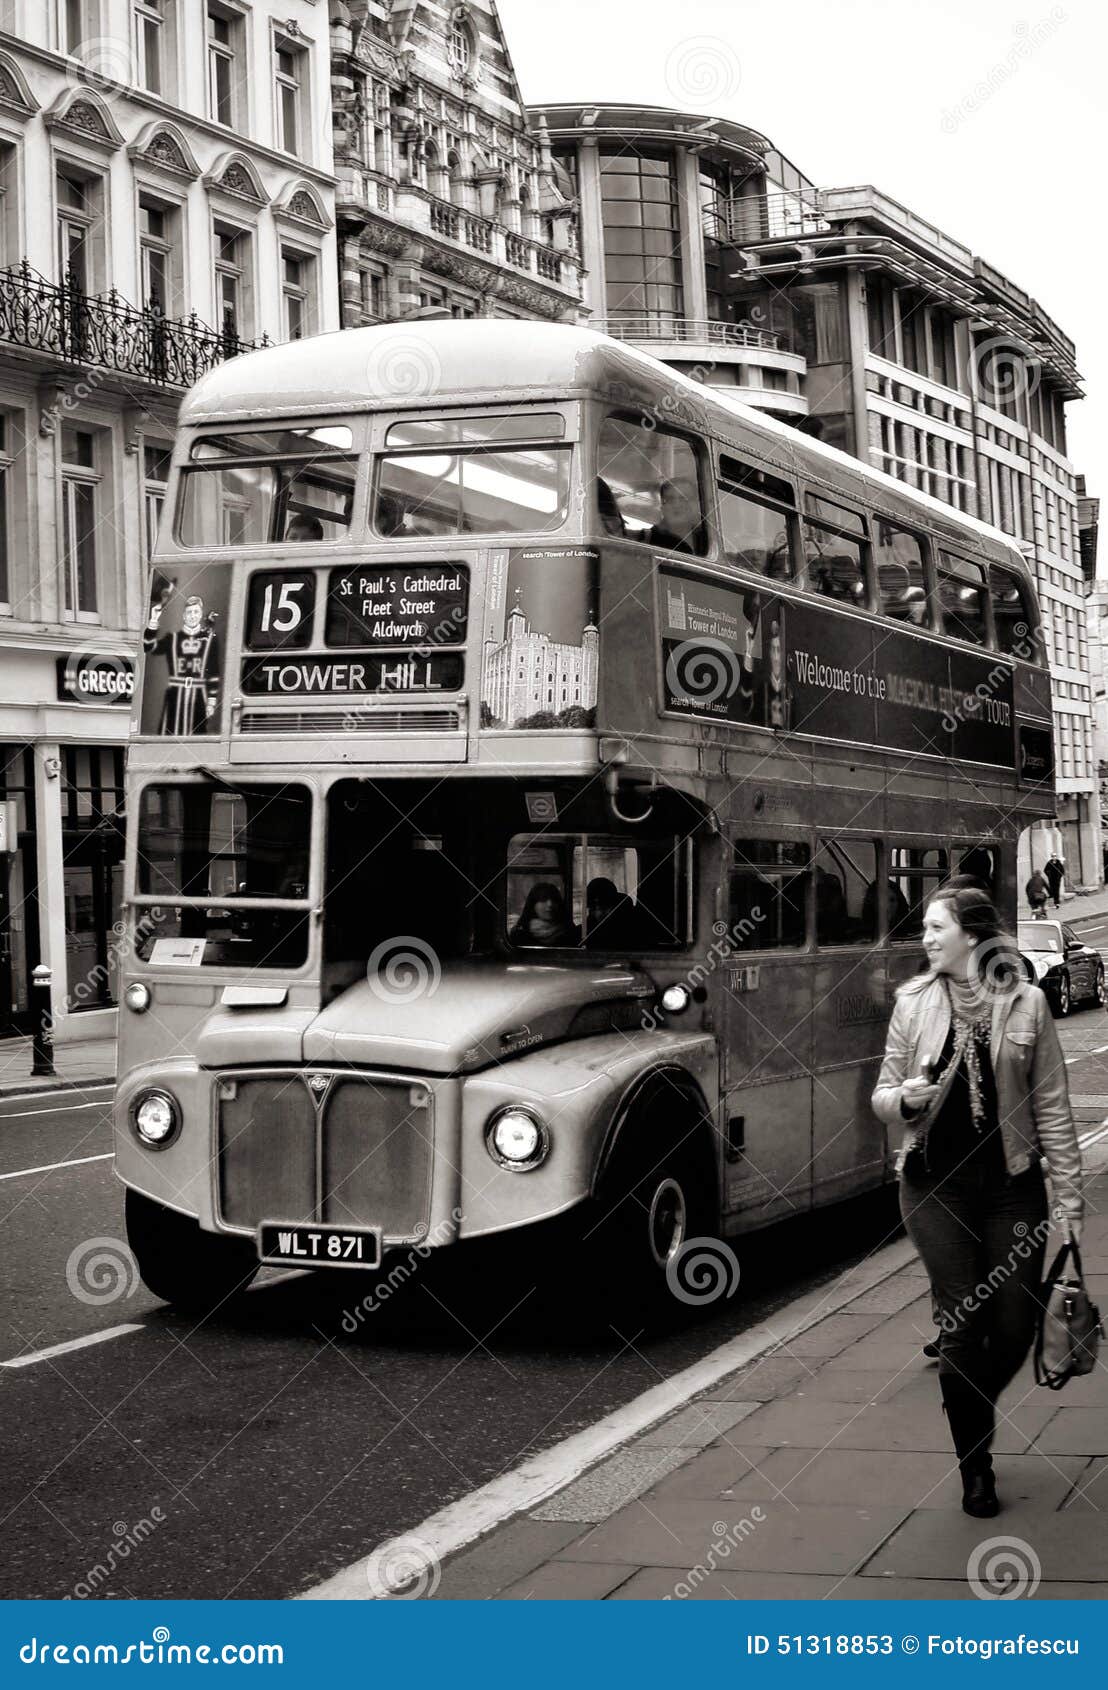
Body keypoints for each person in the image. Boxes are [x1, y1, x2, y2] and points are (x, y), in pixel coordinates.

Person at [872, 886, 1083, 1519]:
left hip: (1012, 1188)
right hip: (934, 1188)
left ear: (972, 935)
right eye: (925, 929)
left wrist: (1069, 1201)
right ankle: (975, 1465)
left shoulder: (1027, 1003)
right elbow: (882, 1094)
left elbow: (1052, 1106)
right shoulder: (913, 1002)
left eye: (937, 928)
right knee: (963, 1325)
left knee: (1014, 1325)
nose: (926, 939)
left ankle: (968, 1402)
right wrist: (905, 1099)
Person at [509, 882, 578, 947]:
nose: (550, 904)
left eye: (554, 900)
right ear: (533, 905)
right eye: (543, 899)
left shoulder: (570, 932)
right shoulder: (519, 934)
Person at [647, 479, 704, 555]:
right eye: (670, 499)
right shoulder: (647, 540)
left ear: (696, 504)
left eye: (684, 498)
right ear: (662, 507)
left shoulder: (707, 538)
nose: (677, 505)